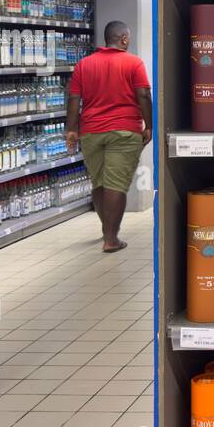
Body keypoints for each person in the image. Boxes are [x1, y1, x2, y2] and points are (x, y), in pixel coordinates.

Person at [65, 20, 152, 253]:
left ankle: (107, 231)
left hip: (91, 132)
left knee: (99, 182)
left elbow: (74, 98)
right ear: (124, 39)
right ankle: (111, 238)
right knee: (117, 184)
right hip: (124, 131)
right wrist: (150, 125)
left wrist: (71, 129)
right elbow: (143, 94)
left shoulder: (84, 65)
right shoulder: (133, 63)